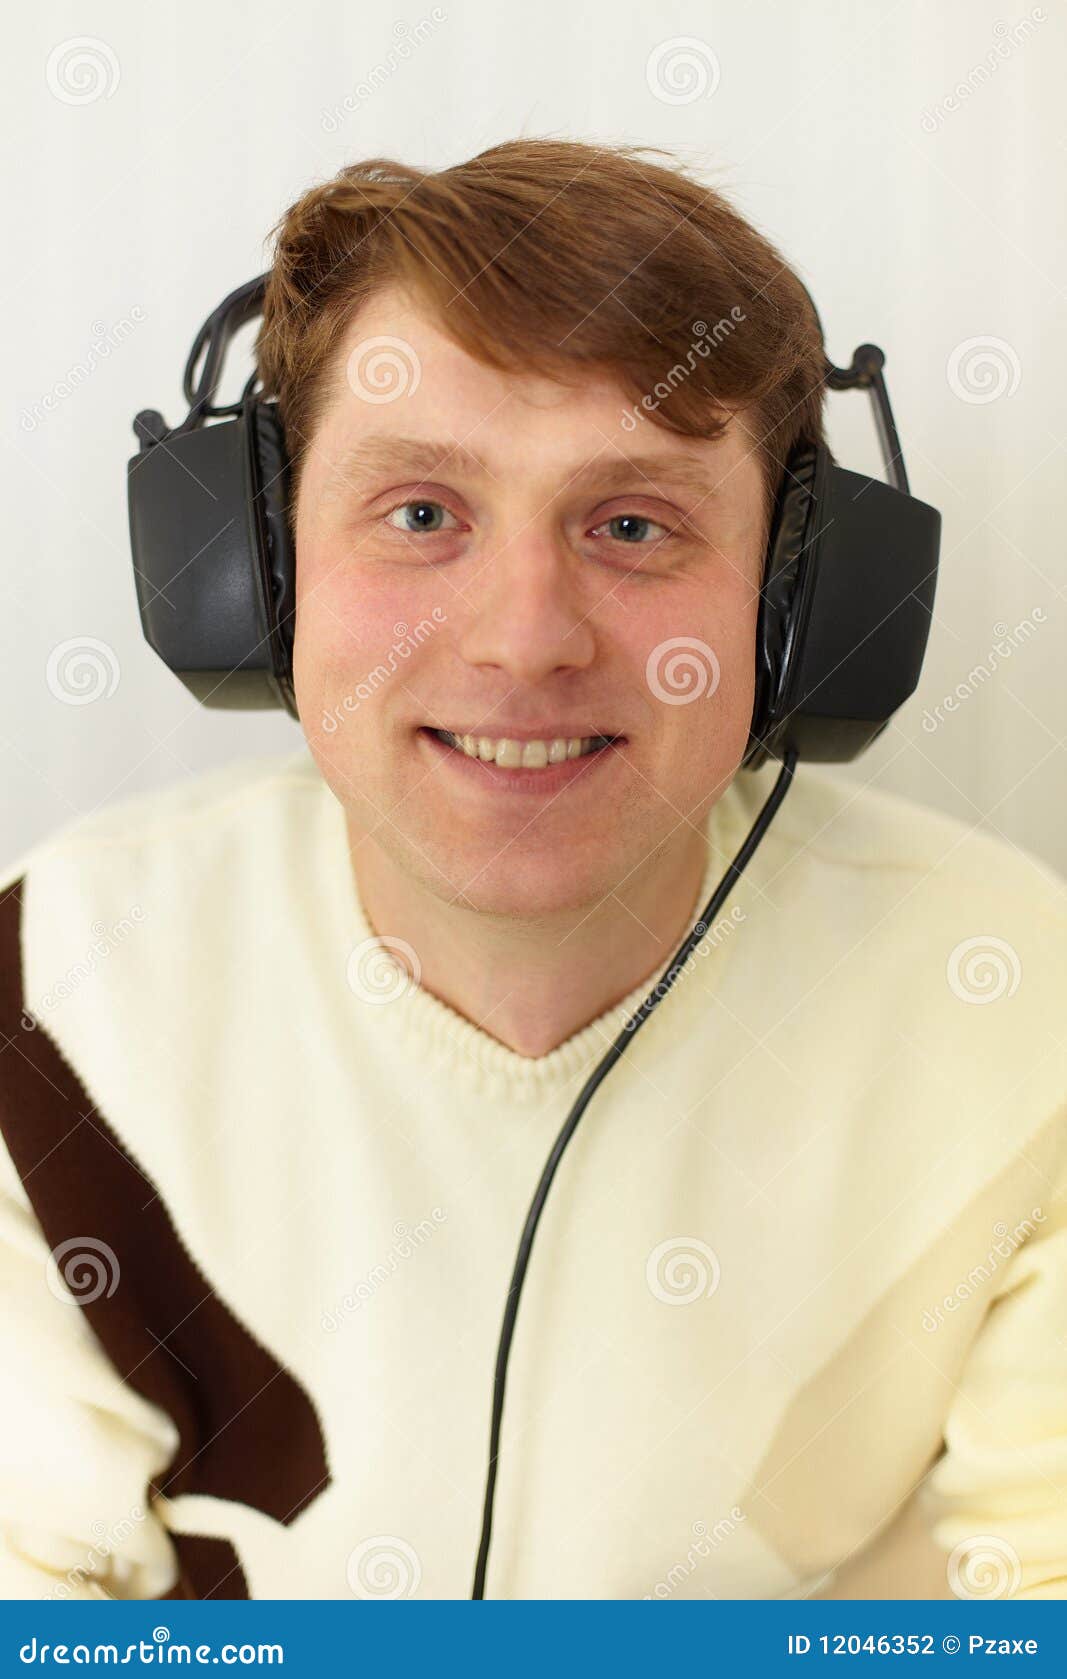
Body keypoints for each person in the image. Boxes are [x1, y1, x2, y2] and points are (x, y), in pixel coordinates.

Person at [0, 138, 1063, 1602]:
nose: (525, 639)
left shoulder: (1021, 1000)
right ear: (253, 573)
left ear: (804, 608)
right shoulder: (55, 983)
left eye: (634, 524)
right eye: (422, 512)